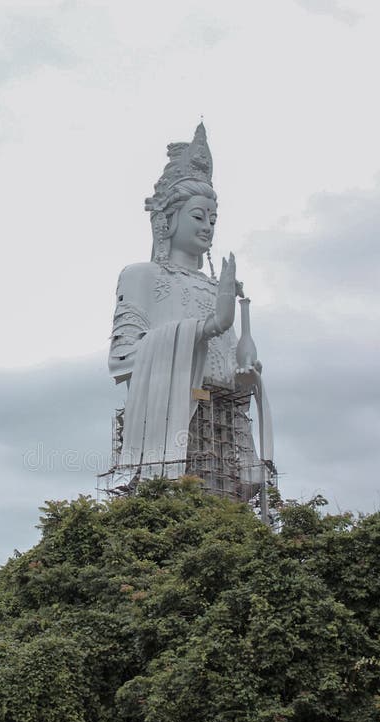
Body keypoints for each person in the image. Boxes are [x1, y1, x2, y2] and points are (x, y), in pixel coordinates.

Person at [108, 123, 272, 485]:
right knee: (179, 501)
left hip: (225, 419)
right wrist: (203, 329)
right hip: (171, 420)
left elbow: (231, 374)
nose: (208, 227)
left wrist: (244, 374)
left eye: (213, 219)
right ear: (168, 220)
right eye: (199, 216)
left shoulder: (217, 288)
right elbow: (121, 357)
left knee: (243, 494)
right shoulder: (142, 276)